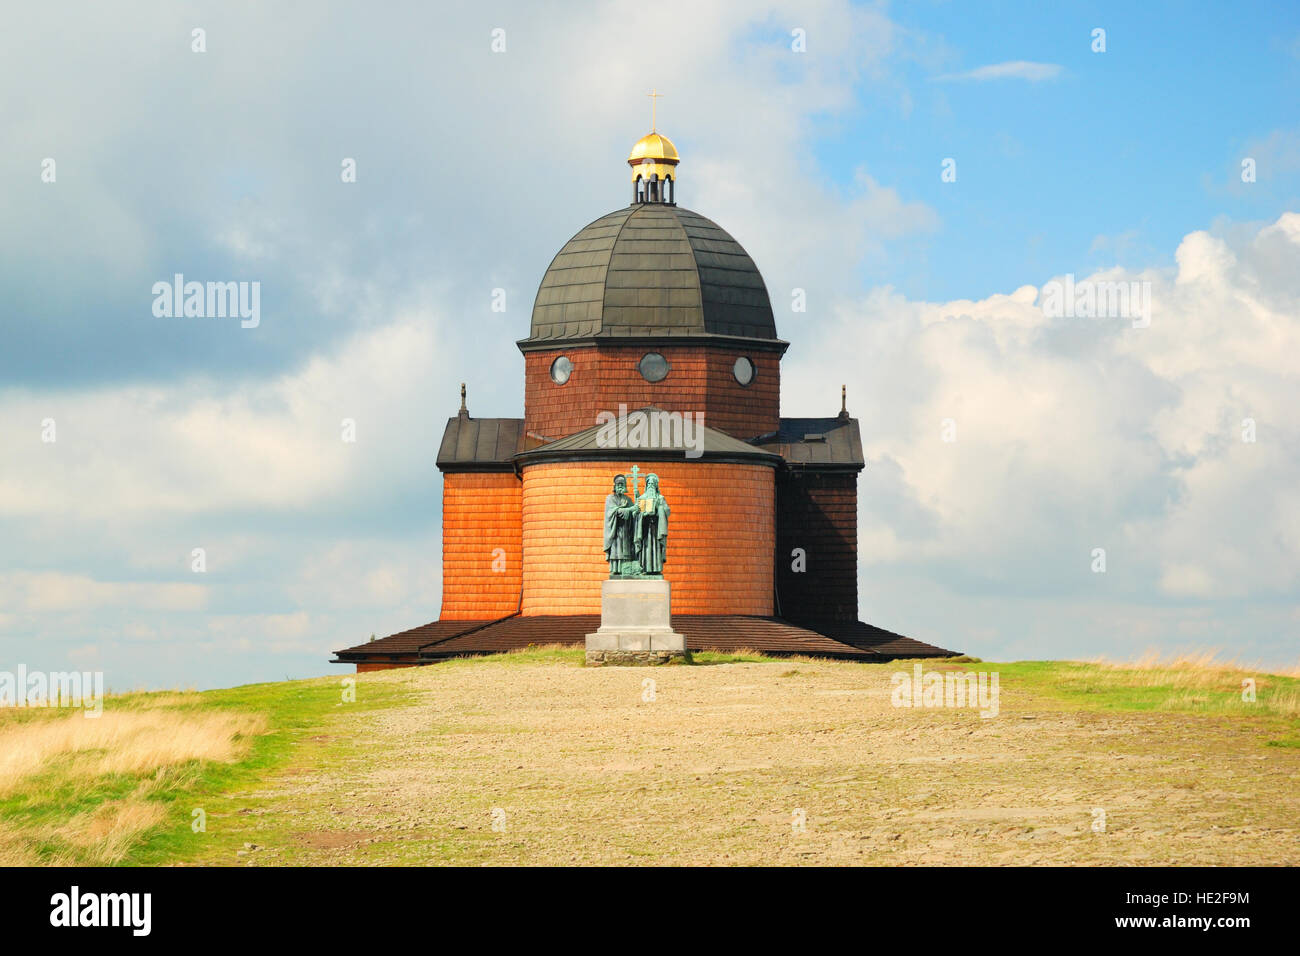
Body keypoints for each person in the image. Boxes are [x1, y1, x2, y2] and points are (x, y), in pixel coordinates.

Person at [634, 473, 669, 575]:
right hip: (645, 528)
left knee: (656, 547)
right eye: (649, 483)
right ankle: (644, 568)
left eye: (653, 484)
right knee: (646, 548)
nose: (650, 486)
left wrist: (659, 508)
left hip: (656, 528)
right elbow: (636, 513)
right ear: (646, 485)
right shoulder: (643, 498)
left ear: (656, 486)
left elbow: (667, 511)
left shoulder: (660, 498)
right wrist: (643, 514)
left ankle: (656, 568)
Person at [603, 474, 638, 576]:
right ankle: (616, 569)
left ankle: (626, 569)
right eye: (618, 484)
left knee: (626, 550)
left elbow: (635, 511)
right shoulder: (610, 498)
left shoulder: (628, 500)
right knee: (616, 549)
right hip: (615, 530)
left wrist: (634, 509)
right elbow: (612, 511)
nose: (620, 486)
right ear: (614, 486)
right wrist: (627, 510)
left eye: (622, 484)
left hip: (626, 530)